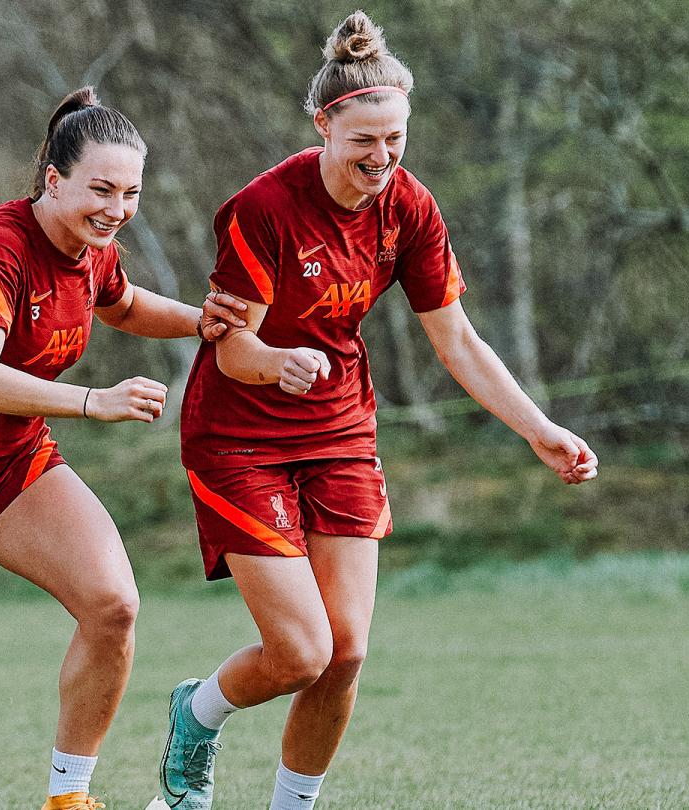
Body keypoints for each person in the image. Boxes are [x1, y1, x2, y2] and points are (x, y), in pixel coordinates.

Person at [157, 11, 599, 810]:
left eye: (395, 138)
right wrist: (278, 361)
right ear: (323, 126)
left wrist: (539, 429)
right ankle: (198, 713)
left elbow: (456, 340)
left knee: (348, 652)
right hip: (239, 439)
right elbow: (231, 349)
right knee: (301, 653)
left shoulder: (410, 208)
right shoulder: (263, 208)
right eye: (364, 140)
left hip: (340, 432)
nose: (382, 156)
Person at [0, 87, 244, 810]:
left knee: (113, 606)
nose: (116, 209)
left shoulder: (91, 250)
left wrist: (200, 321)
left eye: (130, 193)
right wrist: (94, 401)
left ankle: (68, 798)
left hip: (11, 465)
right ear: (54, 180)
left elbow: (122, 303)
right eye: (101, 190)